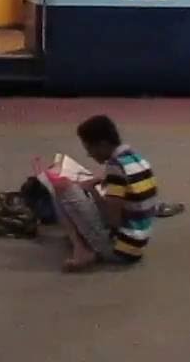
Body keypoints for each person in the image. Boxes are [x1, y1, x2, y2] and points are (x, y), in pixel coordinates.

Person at [51, 115, 157, 271]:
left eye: (89, 149)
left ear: (102, 145)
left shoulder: (115, 168)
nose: (89, 155)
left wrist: (91, 190)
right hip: (137, 243)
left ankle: (81, 249)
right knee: (78, 193)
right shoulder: (137, 160)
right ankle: (82, 241)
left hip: (119, 248)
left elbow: (111, 219)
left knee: (60, 186)